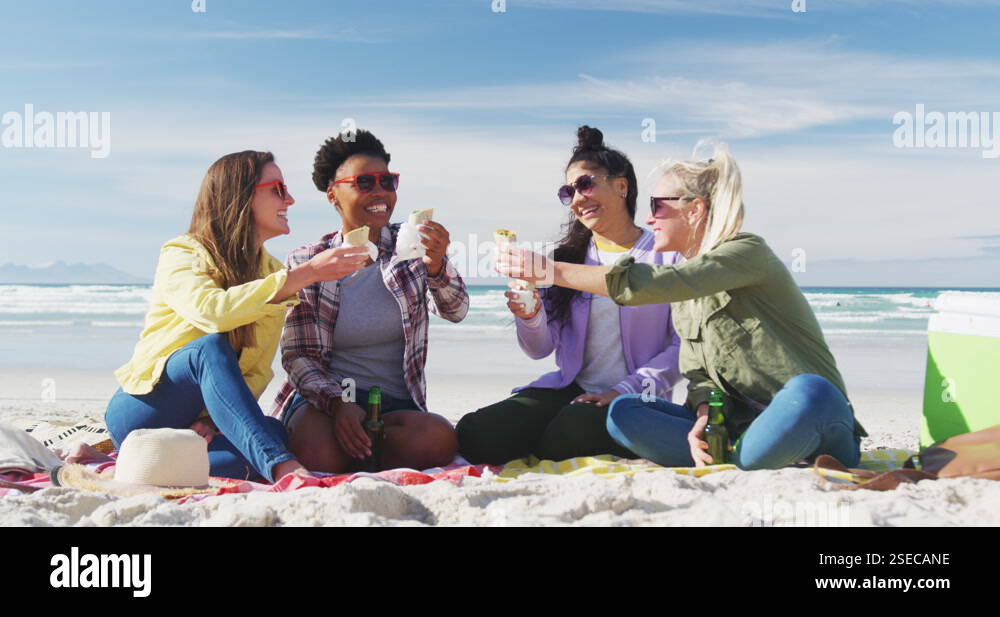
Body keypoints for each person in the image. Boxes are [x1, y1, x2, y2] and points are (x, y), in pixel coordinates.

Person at [496, 140, 867, 470]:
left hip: (804, 409)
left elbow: (647, 284)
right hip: (736, 425)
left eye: (658, 206)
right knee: (624, 412)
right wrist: (705, 416)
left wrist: (547, 269)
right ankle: (734, 452)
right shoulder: (686, 290)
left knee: (810, 391)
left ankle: (749, 455)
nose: (648, 217)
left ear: (695, 210)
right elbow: (701, 375)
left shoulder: (745, 252)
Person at [106, 151, 371, 482]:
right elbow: (212, 312)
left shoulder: (273, 272)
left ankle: (144, 466)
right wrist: (305, 274)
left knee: (273, 430)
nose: (290, 199)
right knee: (210, 348)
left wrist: (216, 421)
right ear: (241, 195)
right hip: (147, 410)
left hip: (200, 431)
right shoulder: (184, 252)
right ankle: (284, 470)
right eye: (277, 188)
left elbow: (257, 371)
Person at [456, 126, 683, 465]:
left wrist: (621, 390)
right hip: (571, 389)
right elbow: (539, 349)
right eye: (568, 191)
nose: (577, 199)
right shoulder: (566, 260)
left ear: (622, 186)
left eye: (585, 184)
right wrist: (530, 315)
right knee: (476, 433)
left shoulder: (666, 254)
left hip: (636, 398)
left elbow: (683, 349)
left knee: (567, 433)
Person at [270, 129, 468, 473]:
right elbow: (298, 355)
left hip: (394, 405)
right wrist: (338, 403)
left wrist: (436, 265)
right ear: (333, 194)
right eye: (364, 183)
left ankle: (369, 451)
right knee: (318, 452)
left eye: (387, 181)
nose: (380, 193)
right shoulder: (308, 261)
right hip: (325, 402)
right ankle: (366, 452)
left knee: (438, 439)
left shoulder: (413, 246)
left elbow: (456, 310)